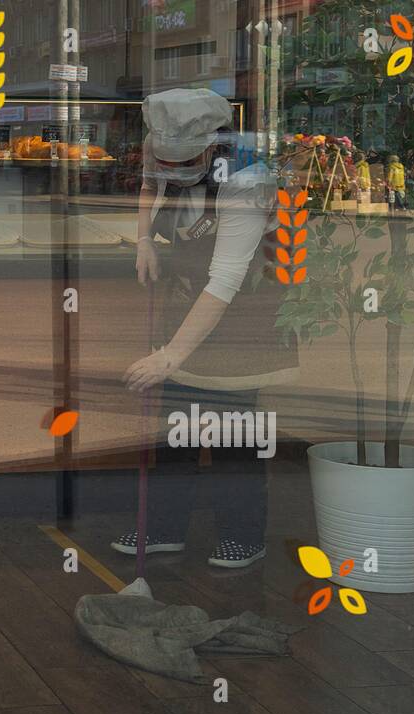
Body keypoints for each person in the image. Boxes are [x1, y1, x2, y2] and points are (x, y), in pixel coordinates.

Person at [116, 88, 297, 569]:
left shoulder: (247, 180)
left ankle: (244, 534)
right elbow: (150, 188)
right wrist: (143, 240)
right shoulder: (161, 155)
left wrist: (169, 356)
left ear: (213, 143)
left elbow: (227, 280)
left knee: (233, 430)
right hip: (187, 305)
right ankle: (164, 529)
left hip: (242, 317)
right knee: (176, 429)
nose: (172, 169)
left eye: (185, 160)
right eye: (166, 159)